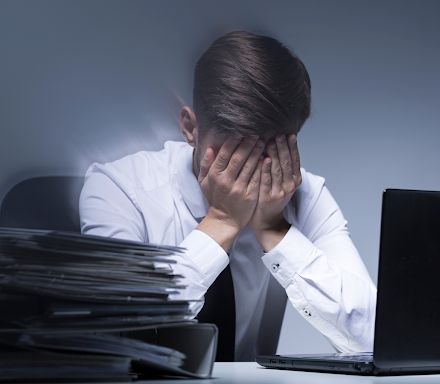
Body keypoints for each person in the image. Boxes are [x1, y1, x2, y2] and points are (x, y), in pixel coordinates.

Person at [79, 31, 377, 362]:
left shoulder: (303, 193)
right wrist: (222, 221)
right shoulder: (118, 188)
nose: (246, 174)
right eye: (231, 153)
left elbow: (374, 338)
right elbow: (119, 333)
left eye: (266, 154)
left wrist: (275, 229)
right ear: (190, 128)